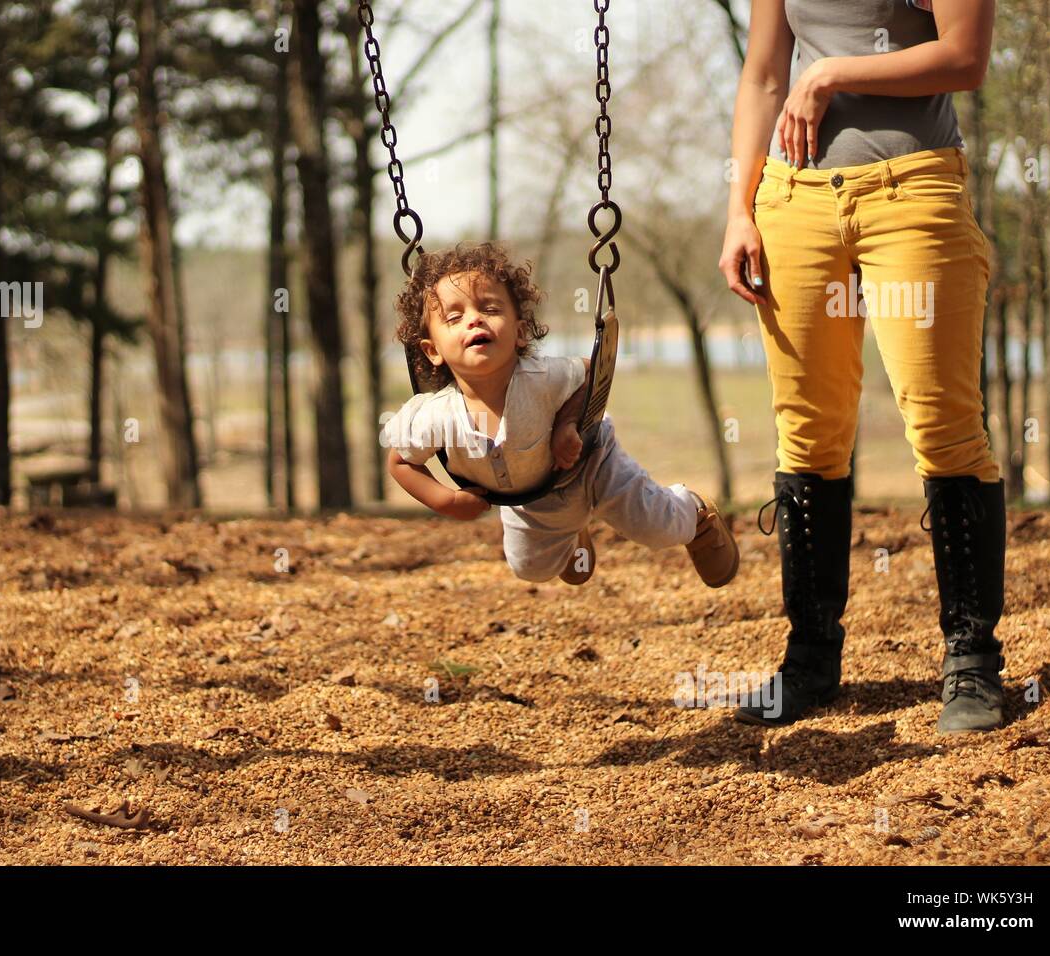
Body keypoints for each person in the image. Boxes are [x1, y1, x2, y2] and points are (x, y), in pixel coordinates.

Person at [717, 0, 1003, 733]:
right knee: (808, 435)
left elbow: (964, 58)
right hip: (793, 200)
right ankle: (810, 657)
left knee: (944, 427)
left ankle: (971, 660)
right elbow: (762, 77)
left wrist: (835, 73)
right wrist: (740, 211)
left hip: (915, 193)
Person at [383, 241, 739, 589]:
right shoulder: (435, 416)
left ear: (520, 333)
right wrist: (445, 501)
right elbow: (399, 462)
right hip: (530, 495)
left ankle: (695, 512)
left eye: (490, 309)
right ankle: (572, 531)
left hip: (594, 461)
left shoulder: (539, 377)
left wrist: (568, 423)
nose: (474, 320)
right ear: (432, 351)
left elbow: (589, 373)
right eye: (455, 317)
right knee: (530, 568)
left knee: (656, 527)